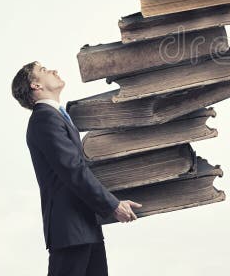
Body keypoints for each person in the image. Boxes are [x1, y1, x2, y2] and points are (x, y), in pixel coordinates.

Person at [12, 61, 142, 276]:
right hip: (70, 230)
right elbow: (73, 170)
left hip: (84, 226)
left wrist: (113, 201)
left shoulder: (57, 116)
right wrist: (112, 205)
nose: (53, 70)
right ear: (35, 85)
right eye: (44, 71)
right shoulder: (44, 118)